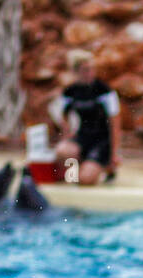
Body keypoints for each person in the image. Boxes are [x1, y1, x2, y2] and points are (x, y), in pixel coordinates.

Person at [49, 50, 121, 186]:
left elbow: (115, 124)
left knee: (85, 180)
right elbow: (62, 115)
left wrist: (114, 154)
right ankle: (80, 168)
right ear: (76, 72)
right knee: (62, 151)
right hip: (82, 137)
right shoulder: (70, 91)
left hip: (102, 141)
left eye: (92, 69)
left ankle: (100, 167)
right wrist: (66, 132)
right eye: (85, 70)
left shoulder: (104, 91)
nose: (90, 73)